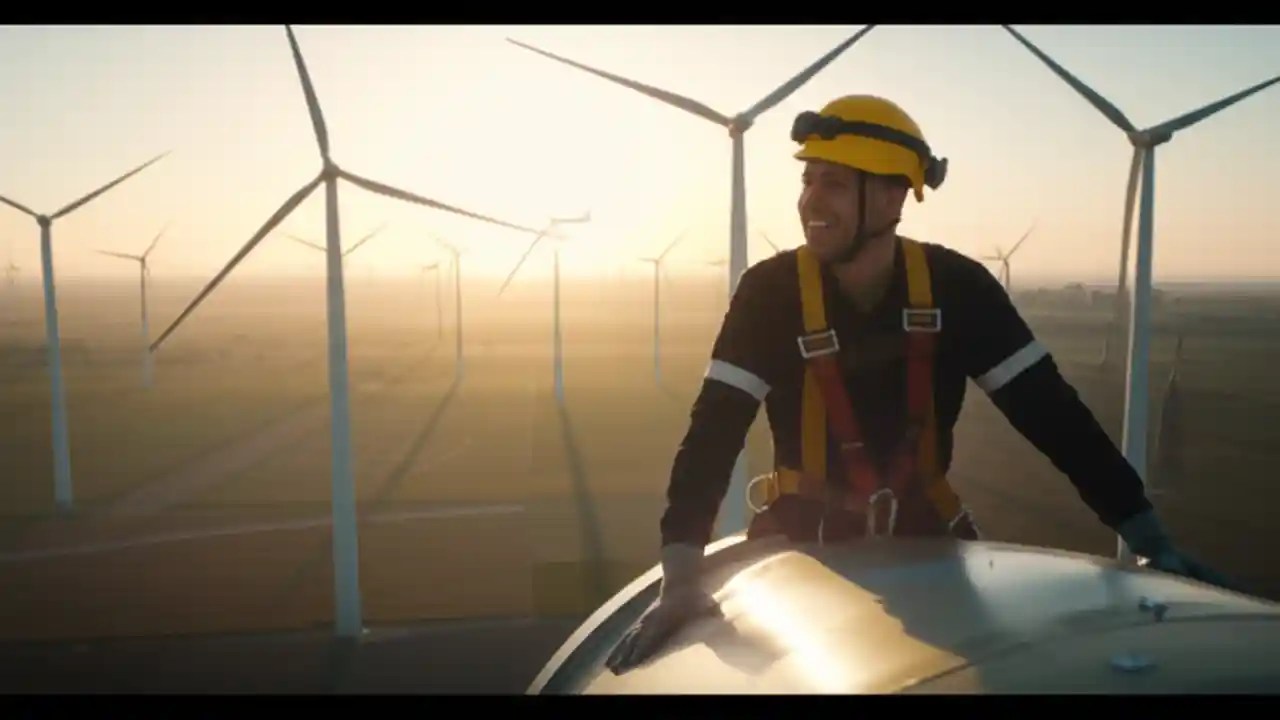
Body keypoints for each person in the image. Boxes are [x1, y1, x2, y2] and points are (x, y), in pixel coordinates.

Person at [605, 94, 1234, 674]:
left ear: (891, 197)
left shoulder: (959, 288)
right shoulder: (768, 293)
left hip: (928, 542)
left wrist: (1149, 540)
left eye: (833, 183)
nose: (810, 201)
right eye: (807, 180)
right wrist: (681, 578)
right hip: (800, 548)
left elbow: (1054, 418)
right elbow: (713, 433)